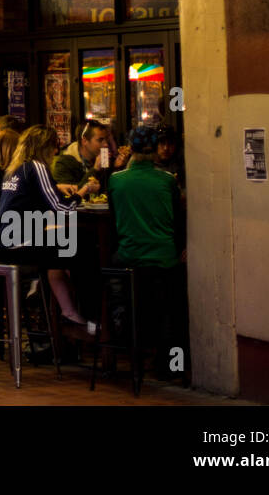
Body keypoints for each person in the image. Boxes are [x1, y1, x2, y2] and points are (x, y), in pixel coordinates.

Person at [0, 125, 99, 334]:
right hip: (23, 241)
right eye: (54, 147)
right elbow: (63, 207)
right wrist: (81, 192)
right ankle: (93, 316)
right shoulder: (37, 167)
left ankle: (67, 313)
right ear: (44, 147)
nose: (56, 152)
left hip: (7, 240)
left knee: (63, 248)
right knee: (84, 245)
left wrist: (58, 188)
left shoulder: (15, 168)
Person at [108, 125, 188, 378]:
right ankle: (169, 365)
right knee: (171, 309)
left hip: (129, 257)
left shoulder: (115, 180)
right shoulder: (166, 180)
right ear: (154, 150)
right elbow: (177, 220)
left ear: (130, 149)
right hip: (164, 259)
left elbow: (114, 219)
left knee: (128, 298)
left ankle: (127, 351)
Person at [52, 120, 111, 190]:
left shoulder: (98, 158)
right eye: (100, 140)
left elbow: (105, 190)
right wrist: (95, 169)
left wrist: (116, 167)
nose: (106, 144)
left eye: (106, 139)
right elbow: (68, 194)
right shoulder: (64, 163)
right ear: (85, 141)